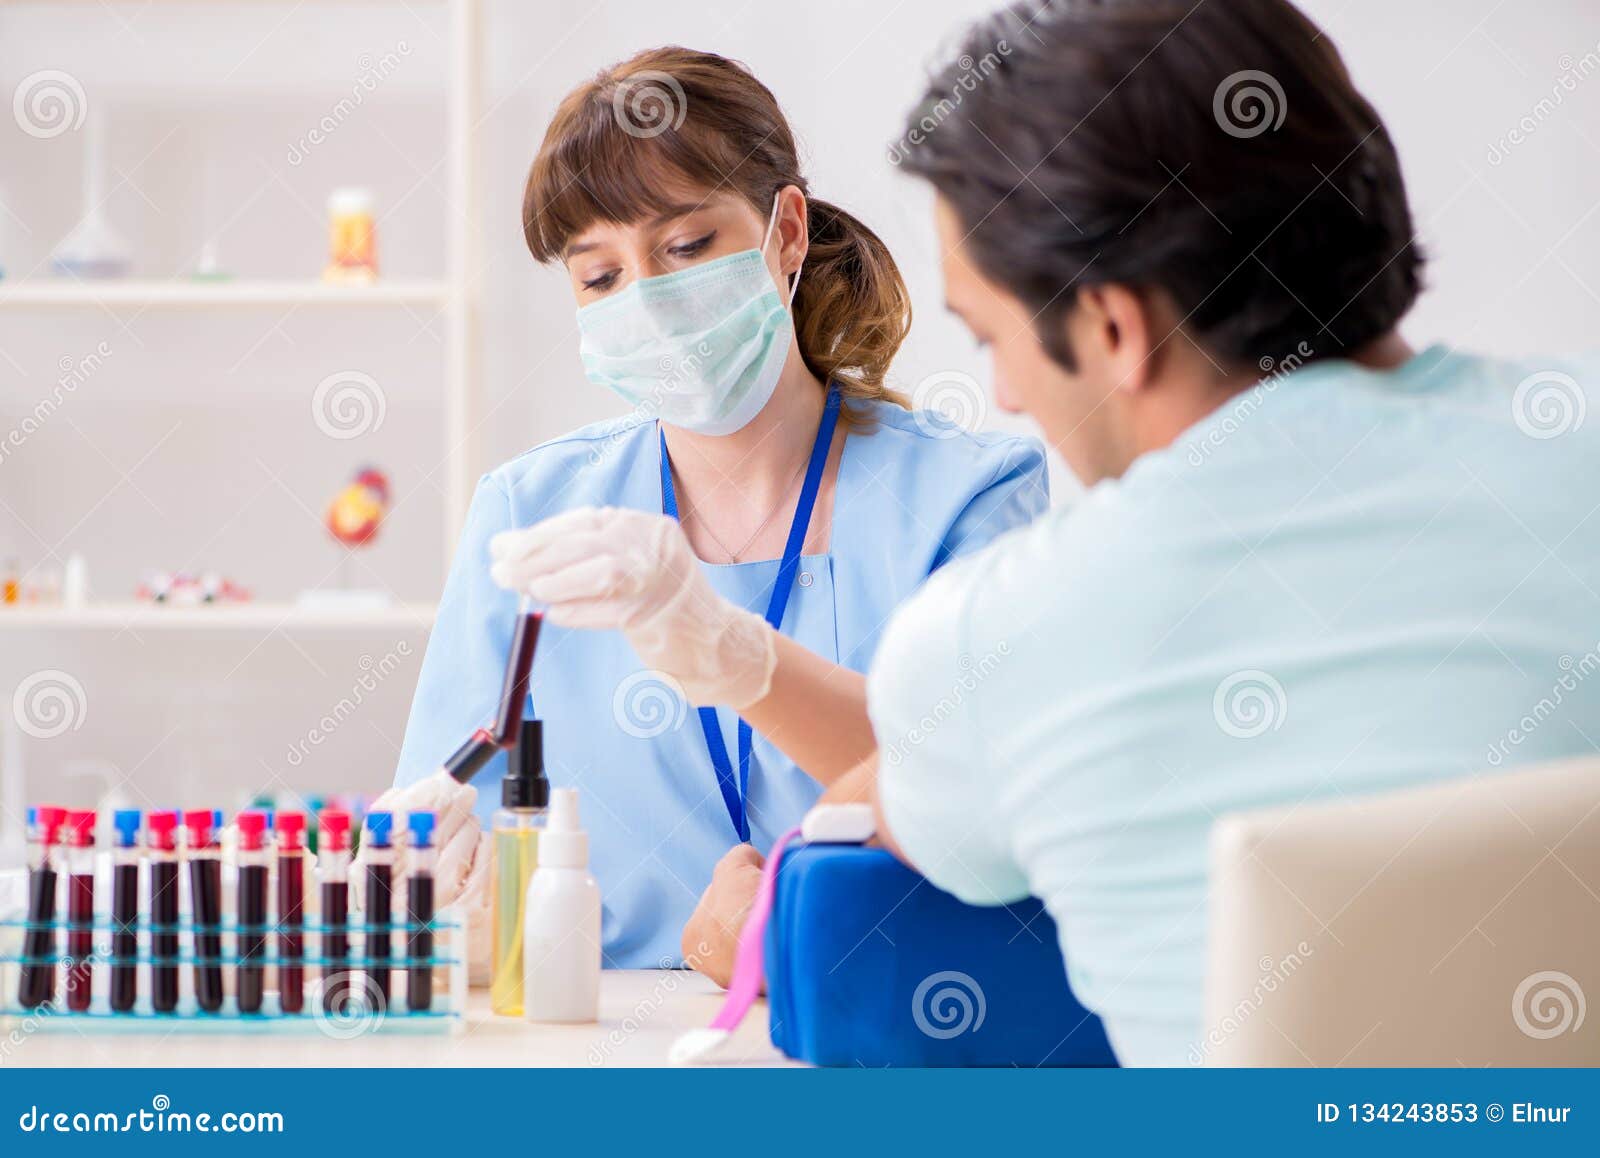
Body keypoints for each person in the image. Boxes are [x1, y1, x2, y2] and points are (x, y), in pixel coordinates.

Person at [684, 0, 1600, 1064]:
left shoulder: (1009, 633)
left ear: (1114, 329)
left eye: (992, 338)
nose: (1010, 400)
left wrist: (746, 923)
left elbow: (833, 864)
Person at [373, 46, 1047, 972]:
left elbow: (1004, 814)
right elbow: (454, 857)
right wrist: (435, 896)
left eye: (688, 248)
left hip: (880, 1038)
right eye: (599, 276)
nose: (648, 300)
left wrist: (767, 932)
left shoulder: (968, 499)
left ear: (789, 233)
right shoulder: (529, 516)